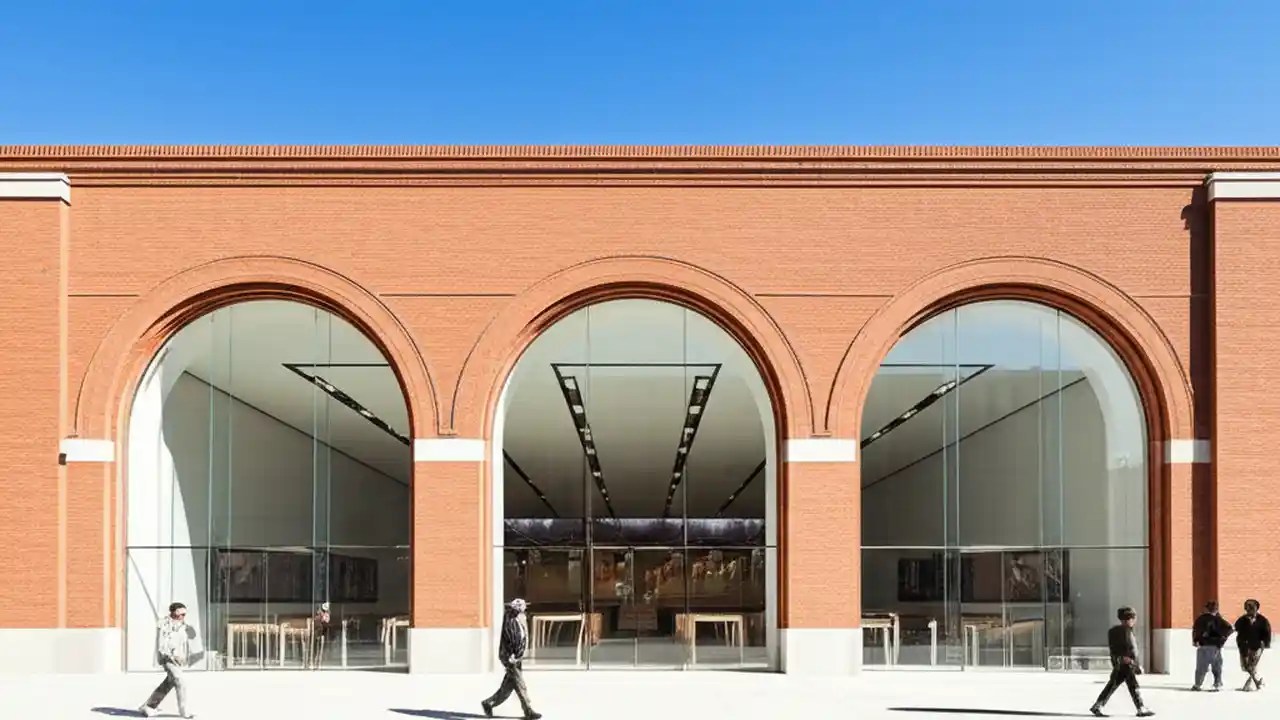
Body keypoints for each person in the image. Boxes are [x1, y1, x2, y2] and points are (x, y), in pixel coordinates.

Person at [482, 598, 541, 720]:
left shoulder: (520, 618)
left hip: (517, 656)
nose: (524, 609)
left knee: (508, 686)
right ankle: (528, 710)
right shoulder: (510, 619)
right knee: (520, 683)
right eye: (522, 607)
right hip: (510, 657)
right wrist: (512, 656)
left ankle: (489, 703)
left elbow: (523, 636)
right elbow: (511, 638)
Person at [1091, 606, 1154, 717]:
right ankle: (1140, 708)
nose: (1134, 621)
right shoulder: (1126, 632)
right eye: (1133, 618)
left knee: (1118, 685)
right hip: (1126, 664)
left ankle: (1098, 705)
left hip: (1120, 663)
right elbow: (1129, 650)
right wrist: (1135, 665)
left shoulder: (1114, 631)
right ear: (1129, 619)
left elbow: (1116, 650)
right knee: (1131, 685)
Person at [140, 601, 197, 718]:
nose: (183, 616)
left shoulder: (182, 626)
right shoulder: (164, 624)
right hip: (168, 658)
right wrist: (170, 655)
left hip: (178, 659)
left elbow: (183, 643)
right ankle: (184, 711)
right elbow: (162, 643)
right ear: (174, 612)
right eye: (181, 613)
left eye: (184, 614)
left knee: (169, 683)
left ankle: (149, 706)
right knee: (180, 681)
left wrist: (184, 656)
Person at [1192, 600, 1233, 691]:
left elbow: (1195, 631)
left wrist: (1195, 641)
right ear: (1216, 609)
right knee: (1216, 666)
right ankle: (1217, 684)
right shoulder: (1218, 619)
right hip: (1215, 646)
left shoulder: (1200, 618)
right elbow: (1229, 629)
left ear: (1206, 608)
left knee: (1201, 666)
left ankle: (1197, 684)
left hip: (1202, 645)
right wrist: (1222, 639)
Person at [1234, 598, 1272, 691]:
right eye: (1248, 608)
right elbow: (1236, 627)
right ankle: (1258, 681)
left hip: (1257, 645)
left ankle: (1252, 684)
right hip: (1244, 645)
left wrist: (1266, 643)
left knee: (1252, 665)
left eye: (1252, 608)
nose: (1250, 610)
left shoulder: (1262, 620)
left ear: (1256, 609)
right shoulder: (1242, 620)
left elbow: (1267, 632)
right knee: (1245, 666)